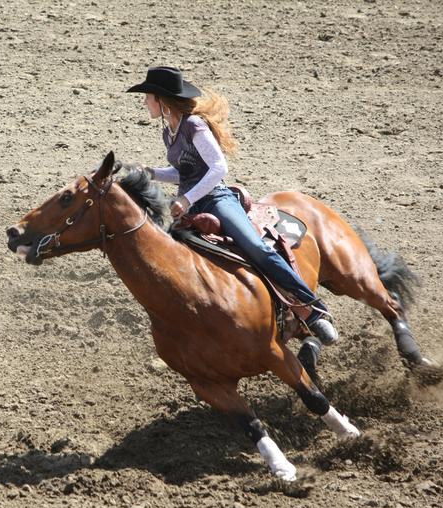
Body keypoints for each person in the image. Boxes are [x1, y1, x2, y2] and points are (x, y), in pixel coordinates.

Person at [126, 66, 338, 345]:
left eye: (148, 96)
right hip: (190, 207)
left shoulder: (194, 125)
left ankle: (313, 310)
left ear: (161, 100)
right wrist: (152, 172)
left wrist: (187, 199)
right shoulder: (169, 133)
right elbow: (186, 172)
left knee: (256, 247)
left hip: (215, 199)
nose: (144, 102)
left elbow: (218, 168)